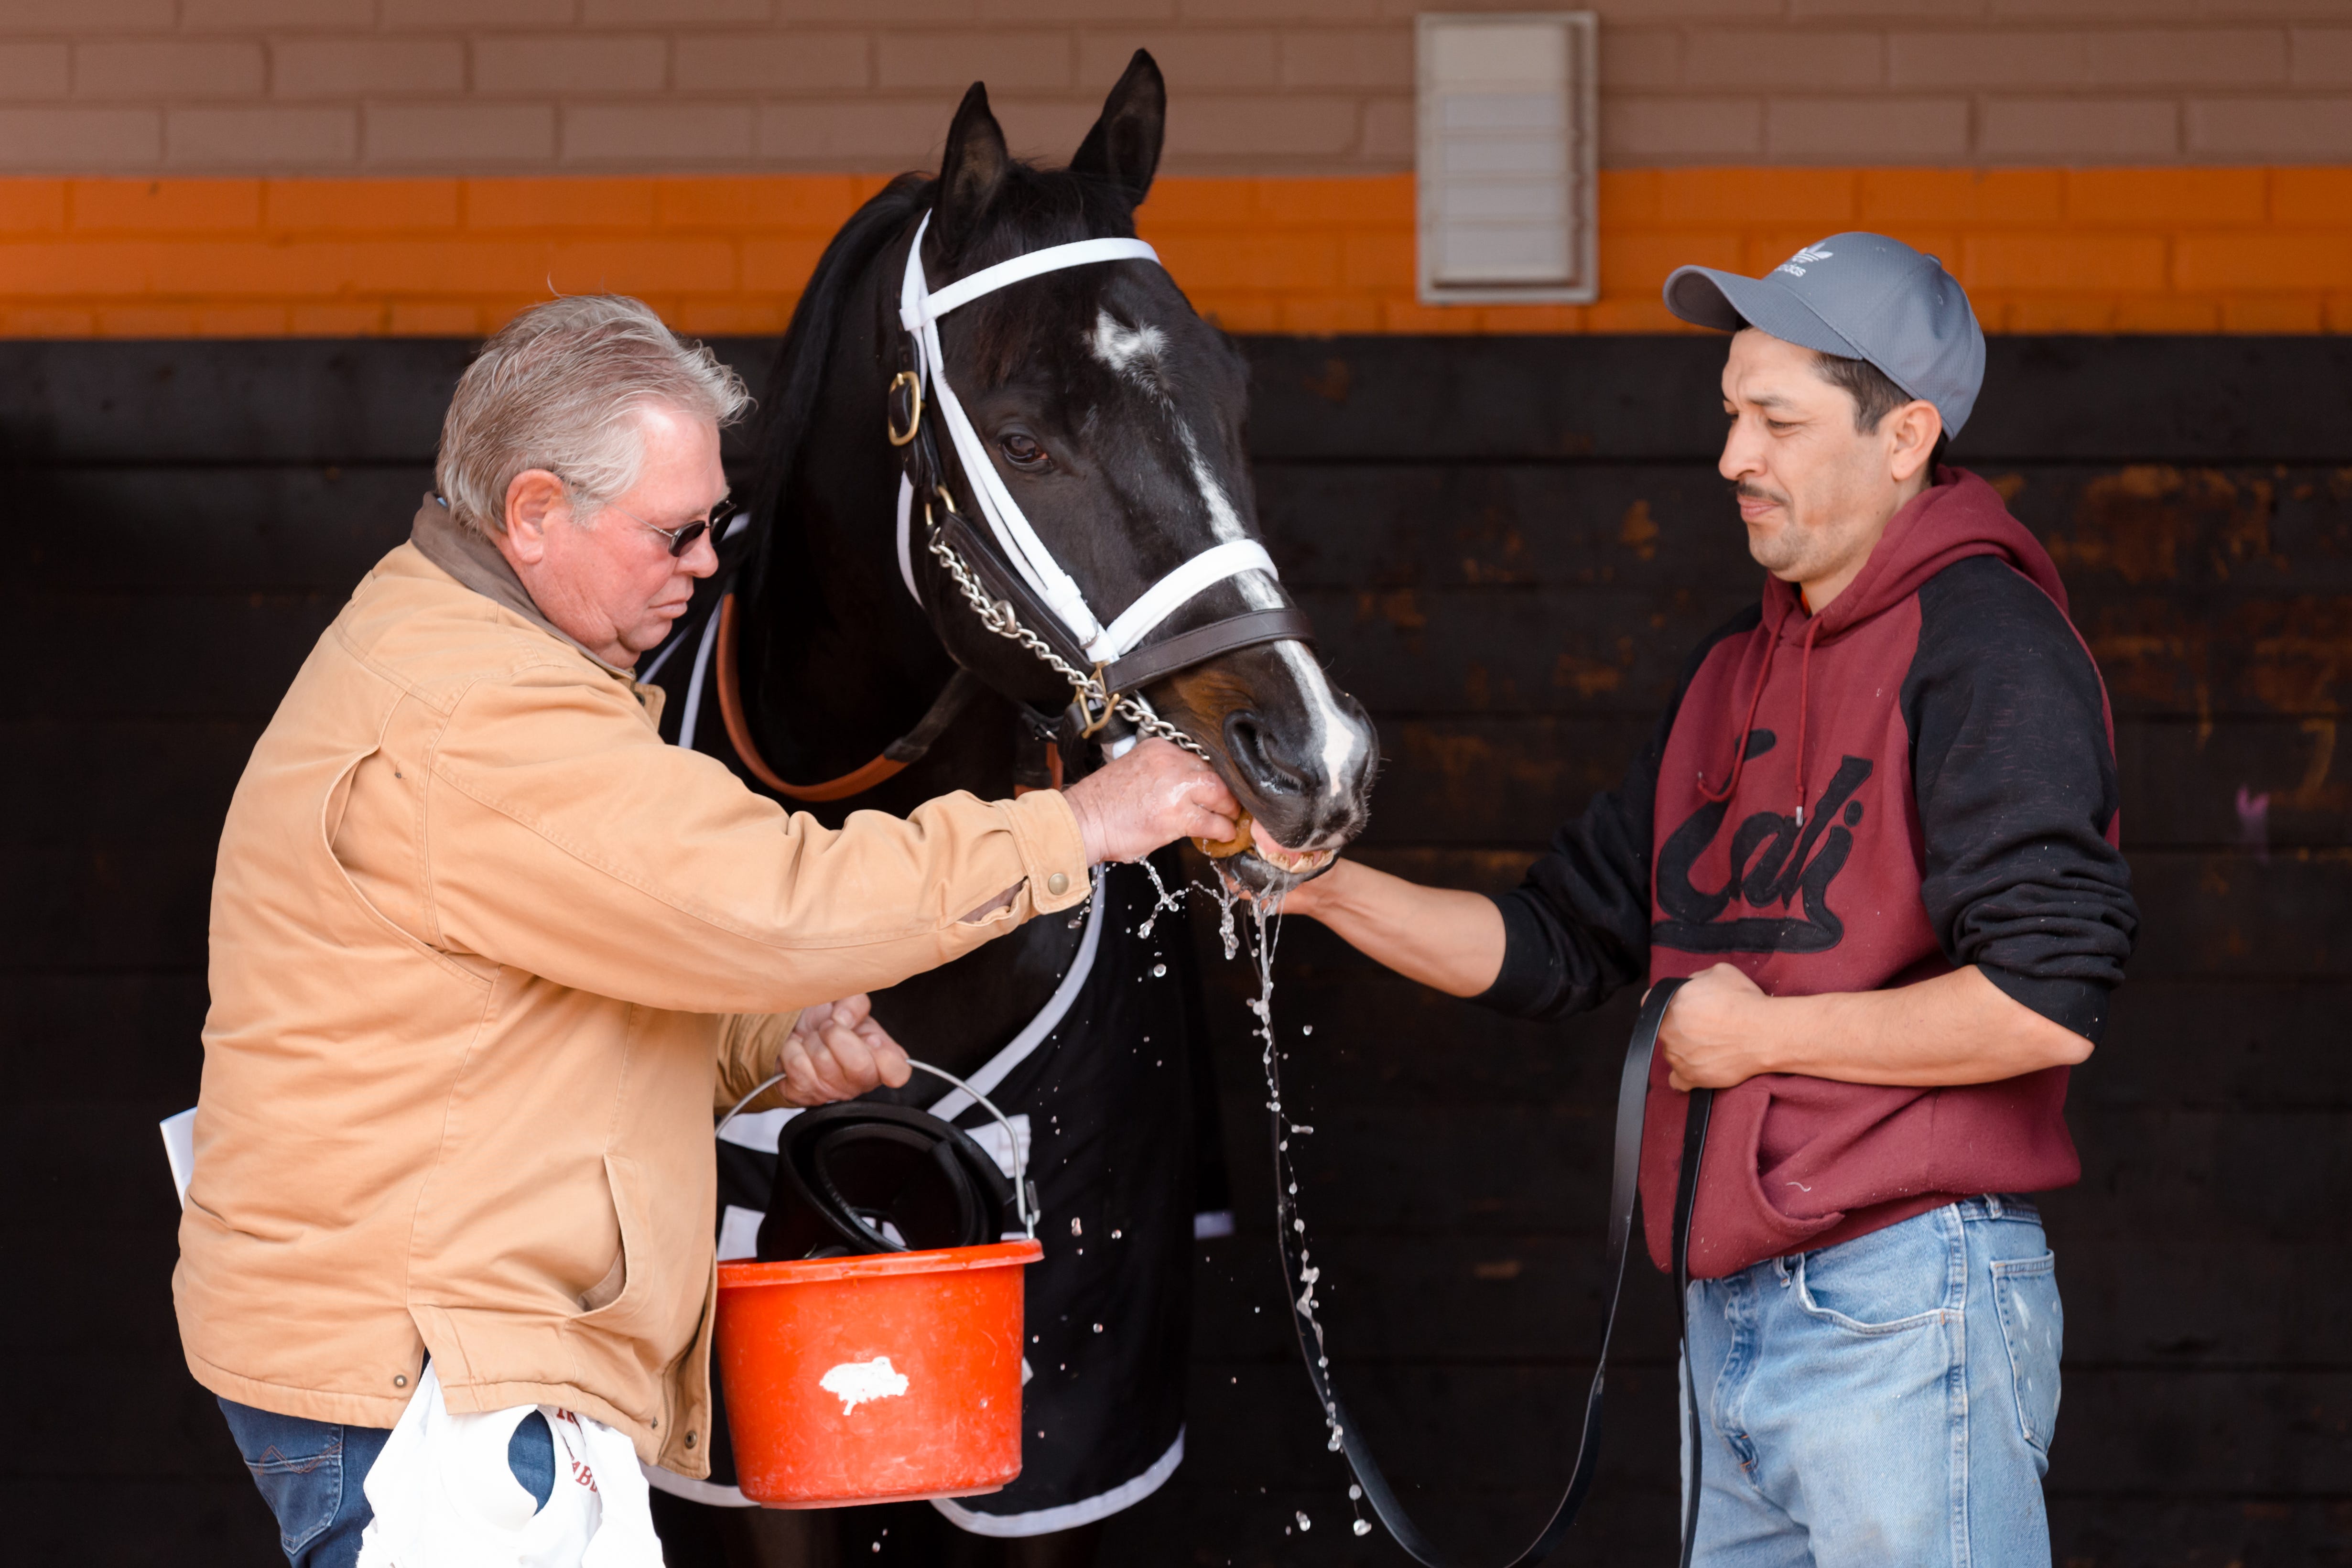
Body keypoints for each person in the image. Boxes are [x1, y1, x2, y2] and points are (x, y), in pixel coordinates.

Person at [174, 295, 1239, 1568]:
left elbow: (550, 994)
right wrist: (1080, 826)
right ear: (532, 513)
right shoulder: (479, 716)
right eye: (673, 533)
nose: (703, 562)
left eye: (715, 527)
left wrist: (767, 1043)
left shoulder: (470, 653)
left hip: (443, 1350)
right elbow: (770, 902)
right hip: (439, 1374)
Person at [1275, 235, 2136, 1566]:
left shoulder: (1990, 650)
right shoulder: (1729, 673)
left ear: (1904, 436)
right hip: (1728, 1312)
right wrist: (1321, 890)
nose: (1732, 454)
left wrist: (1766, 1039)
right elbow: (1560, 942)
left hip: (1906, 1296)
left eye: (1775, 420)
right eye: (1730, 412)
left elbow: (2042, 1002)